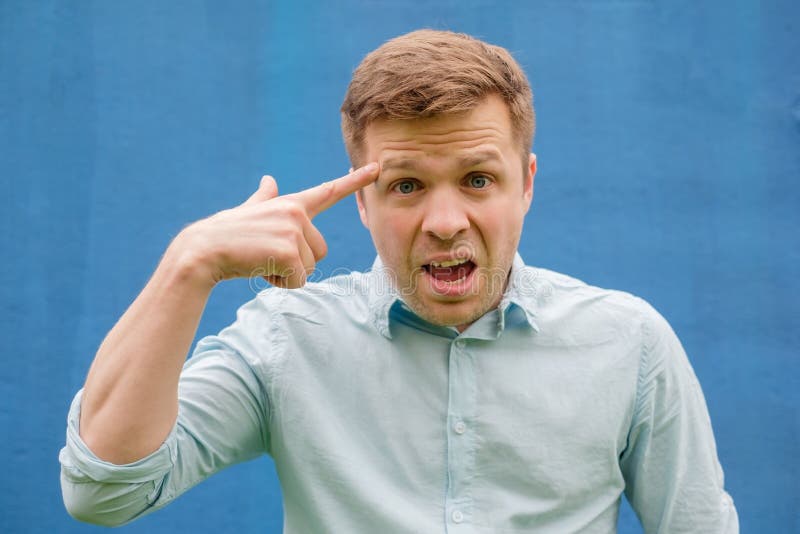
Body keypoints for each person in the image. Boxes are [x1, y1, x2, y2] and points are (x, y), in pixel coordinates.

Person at [60, 29, 739, 533]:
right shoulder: (286, 338)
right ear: (363, 202)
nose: (445, 223)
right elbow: (104, 493)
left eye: (478, 179)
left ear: (526, 184)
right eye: (406, 185)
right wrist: (188, 266)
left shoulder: (628, 343)